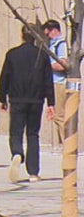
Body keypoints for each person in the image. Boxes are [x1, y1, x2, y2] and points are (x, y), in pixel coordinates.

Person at [0, 24, 56, 183]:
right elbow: (48, 81)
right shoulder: (42, 56)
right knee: (33, 134)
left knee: (16, 131)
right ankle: (33, 172)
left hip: (17, 99)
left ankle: (17, 152)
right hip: (36, 100)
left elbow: (5, 77)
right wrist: (51, 103)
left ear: (22, 35)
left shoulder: (12, 54)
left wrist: (2, 98)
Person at [43, 20, 68, 148]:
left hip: (59, 83)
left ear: (54, 30)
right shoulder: (52, 44)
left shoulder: (61, 44)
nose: (48, 36)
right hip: (53, 82)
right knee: (55, 114)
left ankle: (66, 144)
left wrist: (49, 66)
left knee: (59, 115)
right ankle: (61, 142)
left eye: (48, 34)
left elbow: (63, 64)